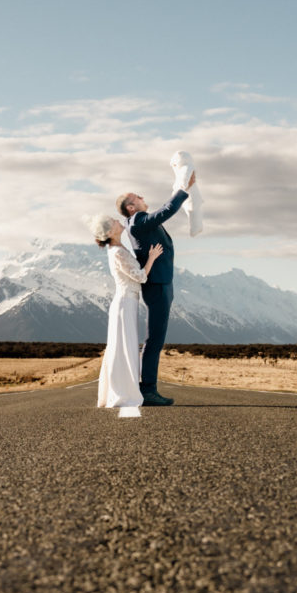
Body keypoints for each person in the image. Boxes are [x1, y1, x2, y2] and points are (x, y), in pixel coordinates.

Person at [116, 167, 194, 406]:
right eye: (137, 196)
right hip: (158, 284)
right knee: (155, 339)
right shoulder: (137, 221)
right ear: (131, 207)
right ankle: (148, 389)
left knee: (157, 338)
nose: (141, 196)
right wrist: (183, 189)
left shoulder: (140, 221)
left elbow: (162, 213)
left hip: (163, 283)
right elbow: (166, 211)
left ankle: (147, 387)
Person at [91, 215, 161, 416]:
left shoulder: (118, 250)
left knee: (122, 347)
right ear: (109, 232)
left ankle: (119, 390)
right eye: (113, 221)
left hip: (127, 303)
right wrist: (152, 258)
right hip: (125, 303)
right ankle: (123, 393)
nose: (117, 220)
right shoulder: (118, 252)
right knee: (124, 347)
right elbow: (140, 276)